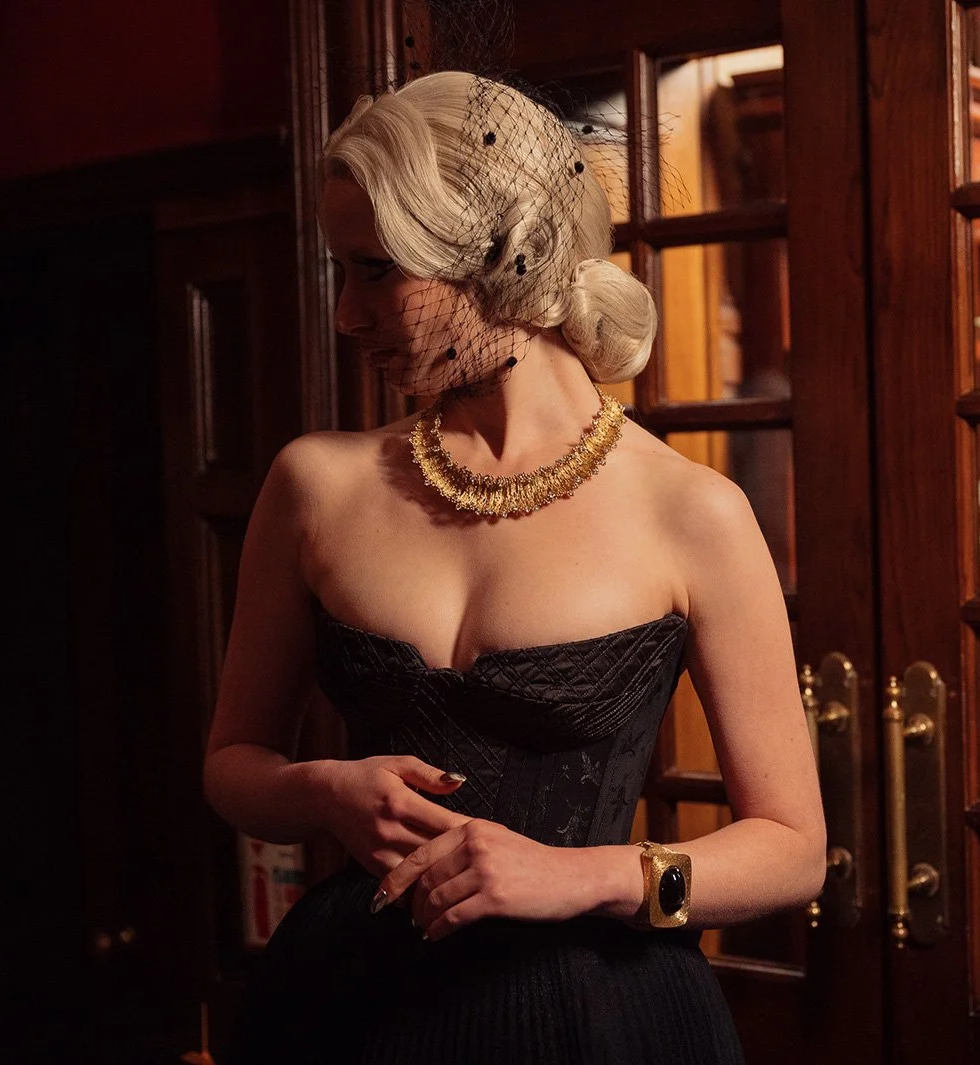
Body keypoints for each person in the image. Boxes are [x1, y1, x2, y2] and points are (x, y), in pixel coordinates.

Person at [202, 71, 825, 1064]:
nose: (346, 315)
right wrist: (323, 791)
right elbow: (233, 764)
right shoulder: (315, 485)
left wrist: (584, 877)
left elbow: (792, 852)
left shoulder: (691, 512)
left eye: (376, 271)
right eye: (341, 272)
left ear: (498, 258)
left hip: (599, 1020)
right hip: (345, 1006)